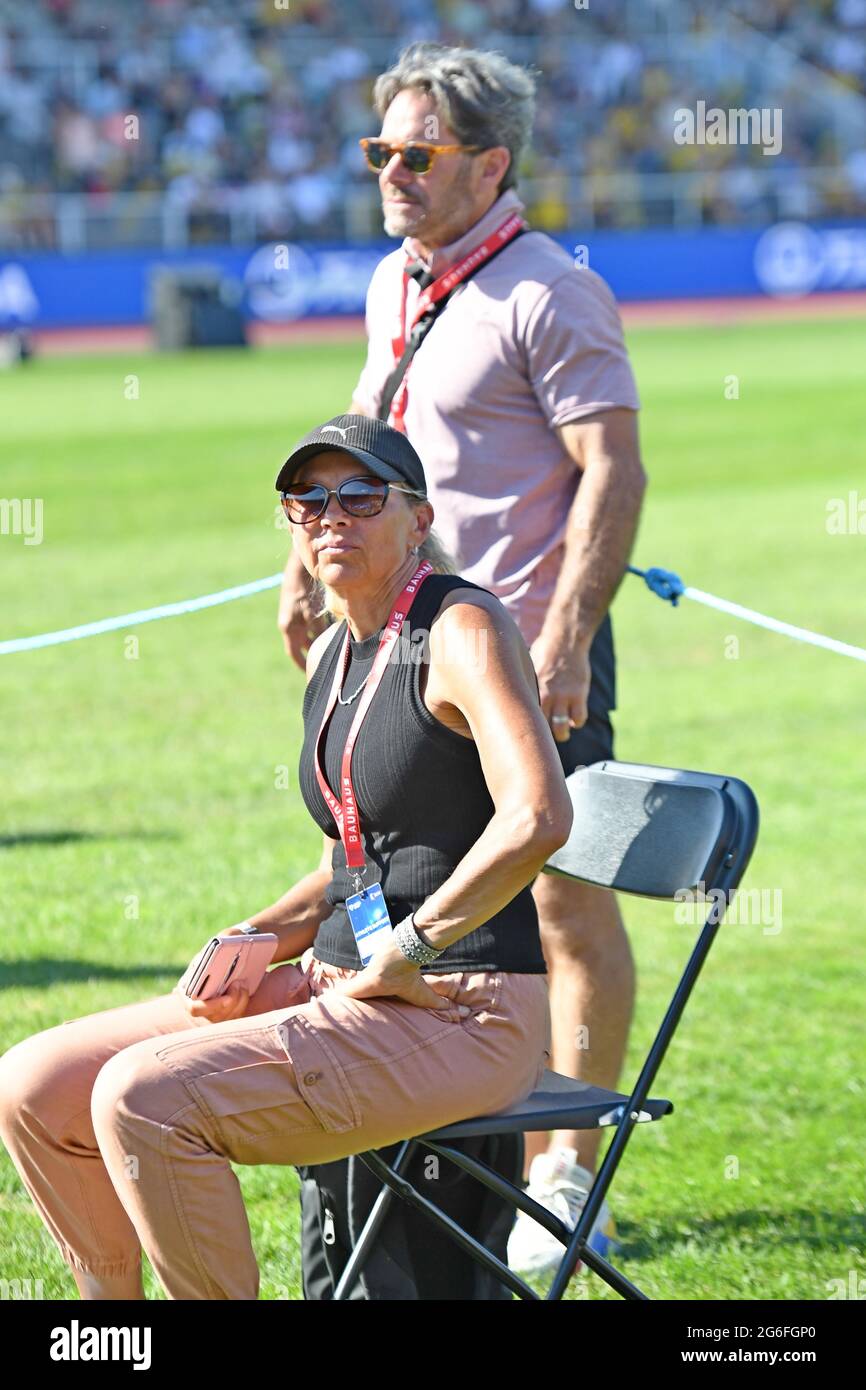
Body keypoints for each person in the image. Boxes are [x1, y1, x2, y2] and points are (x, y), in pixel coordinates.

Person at [0, 416, 573, 1301]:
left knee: (144, 1099)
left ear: (416, 519)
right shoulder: (336, 649)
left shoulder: (462, 626)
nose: (329, 516)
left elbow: (537, 815)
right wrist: (262, 931)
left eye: (359, 495)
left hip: (461, 1009)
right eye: (307, 500)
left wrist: (411, 944)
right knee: (32, 1087)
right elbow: (351, 860)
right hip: (342, 984)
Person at [277, 40, 647, 1275]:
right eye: (377, 149)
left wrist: (568, 635)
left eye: (414, 152)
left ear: (488, 163)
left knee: (558, 897)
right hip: (406, 648)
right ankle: (450, 1138)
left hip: (526, 651)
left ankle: (564, 1170)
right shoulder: (399, 279)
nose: (389, 170)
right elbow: (369, 437)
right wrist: (306, 576)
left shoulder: (549, 291)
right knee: (400, 867)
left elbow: (611, 467)